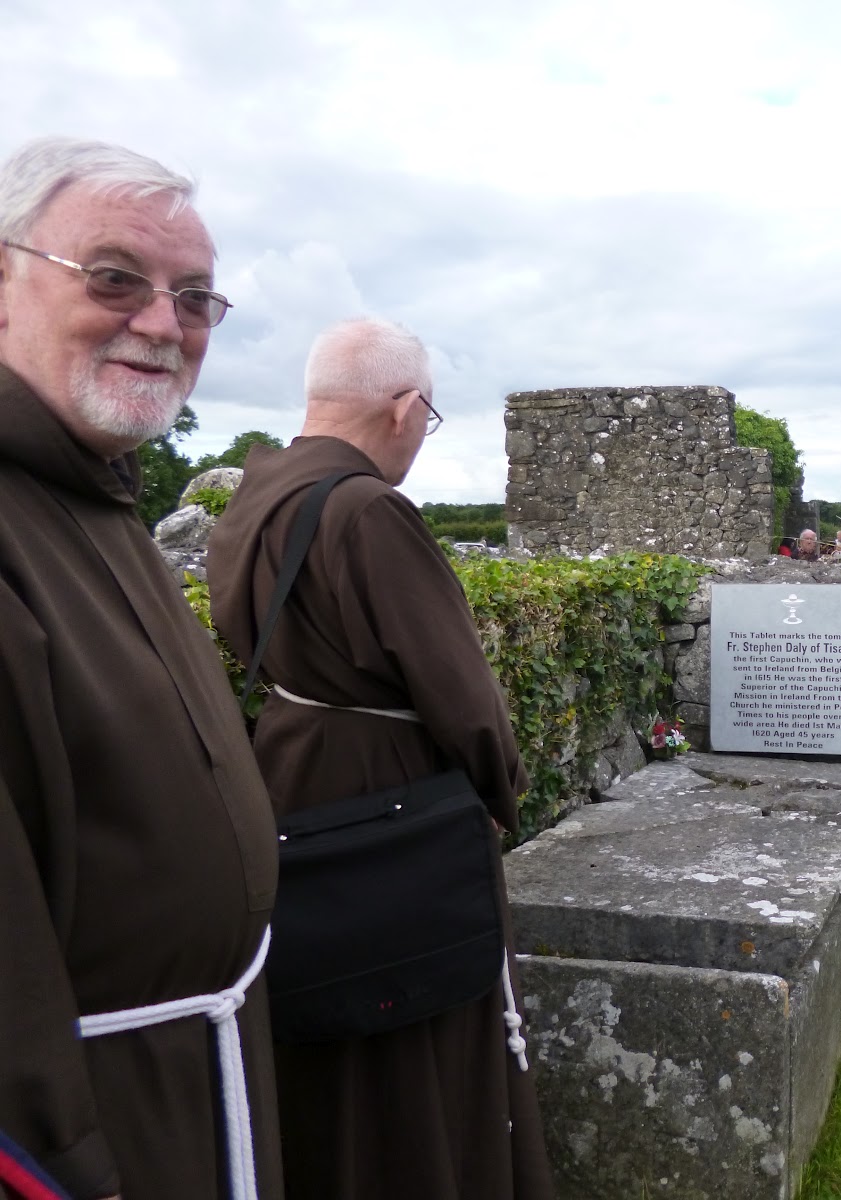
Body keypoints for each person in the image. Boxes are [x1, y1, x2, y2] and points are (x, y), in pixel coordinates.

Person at [206, 318, 556, 1199]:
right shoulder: (368, 510)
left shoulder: (254, 493)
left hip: (286, 772)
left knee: (320, 1005)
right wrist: (498, 793)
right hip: (385, 796)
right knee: (407, 1017)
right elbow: (464, 698)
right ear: (404, 409)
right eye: (428, 418)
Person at [0, 137, 283, 1198]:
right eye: (114, 277)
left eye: (197, 298)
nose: (164, 324)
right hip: (99, 1123)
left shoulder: (92, 490)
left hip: (196, 1071)